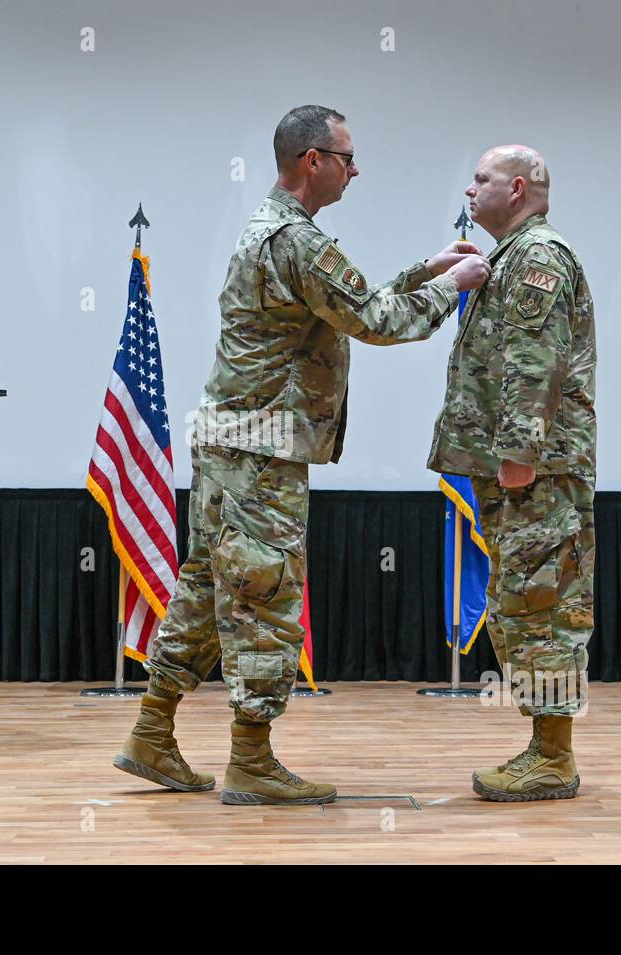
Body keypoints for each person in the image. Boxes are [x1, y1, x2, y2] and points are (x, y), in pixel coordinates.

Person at [114, 105, 491, 805]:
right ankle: (251, 762)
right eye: (347, 156)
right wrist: (451, 287)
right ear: (312, 161)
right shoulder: (297, 241)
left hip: (232, 447)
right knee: (266, 597)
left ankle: (151, 732)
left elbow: (352, 300)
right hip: (260, 456)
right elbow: (377, 320)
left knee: (204, 590)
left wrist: (426, 267)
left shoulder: (276, 232)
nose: (356, 168)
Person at [427, 145, 597, 801]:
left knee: (542, 604)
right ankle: (542, 746)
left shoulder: (537, 258)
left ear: (518, 188)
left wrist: (521, 453)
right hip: (515, 471)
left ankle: (553, 757)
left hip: (541, 471)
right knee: (520, 604)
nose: (470, 189)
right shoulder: (507, 257)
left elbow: (535, 361)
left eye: (482, 178)